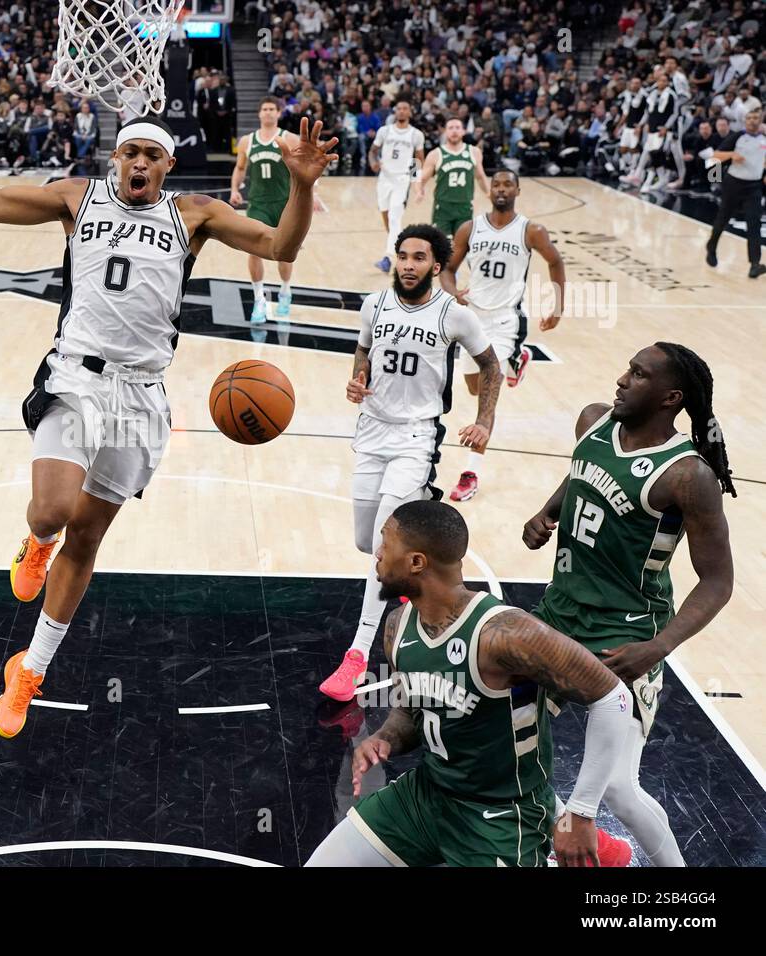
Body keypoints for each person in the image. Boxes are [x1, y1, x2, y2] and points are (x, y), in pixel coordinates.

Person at [0, 55, 336, 738]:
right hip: (76, 376)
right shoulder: (77, 198)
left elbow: (281, 243)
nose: (138, 163)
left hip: (142, 396)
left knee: (89, 538)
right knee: (54, 508)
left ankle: (29, 671)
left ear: (166, 167)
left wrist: (301, 187)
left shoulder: (198, 214)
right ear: (115, 156)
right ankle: (35, 540)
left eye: (152, 155)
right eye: (129, 151)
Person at [306, 500, 636, 867]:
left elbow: (614, 698)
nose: (377, 554)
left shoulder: (506, 634)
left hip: (501, 816)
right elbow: (412, 708)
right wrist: (385, 737)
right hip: (427, 797)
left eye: (385, 542)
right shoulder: (398, 626)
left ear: (417, 562)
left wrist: (582, 813)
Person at [524, 344, 736, 866]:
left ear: (670, 398)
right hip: (557, 618)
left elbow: (718, 581)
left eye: (638, 375)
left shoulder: (687, 476)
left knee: (617, 791)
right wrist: (549, 510)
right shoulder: (594, 422)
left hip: (624, 638)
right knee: (499, 742)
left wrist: (657, 647)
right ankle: (595, 846)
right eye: (627, 367)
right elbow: (582, 471)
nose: (622, 379)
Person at [319, 224, 502, 701]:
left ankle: (356, 657)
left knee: (384, 546)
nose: (407, 264)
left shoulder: (454, 315)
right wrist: (357, 378)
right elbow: (363, 349)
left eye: (418, 257)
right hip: (372, 430)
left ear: (436, 266)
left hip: (417, 437)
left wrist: (484, 420)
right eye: (402, 256)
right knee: (365, 541)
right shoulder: (373, 305)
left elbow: (491, 366)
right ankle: (410, 550)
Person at [440, 169, 566, 500]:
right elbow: (448, 270)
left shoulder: (530, 231)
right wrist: (453, 292)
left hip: (505, 321)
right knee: (473, 387)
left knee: (486, 397)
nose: (501, 189)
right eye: (496, 184)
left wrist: (558, 305)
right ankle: (516, 363)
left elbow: (555, 261)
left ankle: (470, 473)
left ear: (518, 190)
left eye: (508, 184)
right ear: (489, 190)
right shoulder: (470, 228)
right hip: (472, 319)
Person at [230, 97, 301, 323]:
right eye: (264, 109)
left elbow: (302, 169)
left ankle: (285, 291)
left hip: (285, 204)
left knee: (284, 254)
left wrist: (312, 194)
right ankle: (259, 298)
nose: (268, 112)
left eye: (272, 109)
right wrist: (234, 189)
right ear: (259, 114)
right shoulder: (247, 141)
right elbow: (240, 168)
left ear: (279, 113)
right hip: (258, 203)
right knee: (254, 251)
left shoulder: (290, 138)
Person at [705, 107, 766, 279]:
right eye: (750, 118)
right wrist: (731, 156)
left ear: (761, 120)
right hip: (733, 184)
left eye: (756, 118)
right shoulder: (737, 137)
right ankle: (711, 247)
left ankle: (755, 264)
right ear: (745, 121)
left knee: (754, 224)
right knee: (723, 218)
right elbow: (714, 157)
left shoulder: (764, 139)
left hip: (754, 186)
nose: (753, 121)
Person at [368, 100, 425, 272]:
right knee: (386, 217)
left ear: (410, 112)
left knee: (394, 218)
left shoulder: (416, 135)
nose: (401, 111)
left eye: (405, 108)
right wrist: (373, 163)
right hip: (384, 179)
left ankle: (388, 258)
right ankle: (397, 247)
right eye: (399, 108)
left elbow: (418, 159)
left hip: (402, 180)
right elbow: (373, 151)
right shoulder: (384, 131)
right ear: (395, 112)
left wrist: (416, 184)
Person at [416, 115, 489, 237]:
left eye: (457, 127)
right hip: (443, 207)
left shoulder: (474, 152)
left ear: (463, 131)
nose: (454, 131)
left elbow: (480, 176)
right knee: (442, 246)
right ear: (445, 131)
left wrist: (489, 192)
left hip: (464, 206)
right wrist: (419, 191)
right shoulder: (436, 154)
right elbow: (422, 178)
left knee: (462, 246)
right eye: (450, 128)